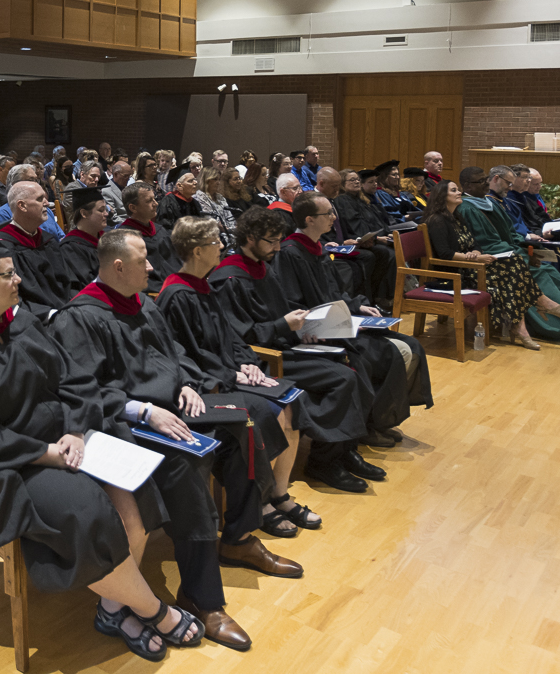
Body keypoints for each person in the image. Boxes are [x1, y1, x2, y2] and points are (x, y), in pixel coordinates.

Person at [0, 226, 203, 661]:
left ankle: (110, 609)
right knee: (86, 509)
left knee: (133, 503)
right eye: (9, 276)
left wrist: (75, 429)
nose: (20, 282)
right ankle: (155, 609)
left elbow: (76, 379)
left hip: (66, 444)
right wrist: (45, 453)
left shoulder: (23, 324)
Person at [53, 228, 295, 650]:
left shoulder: (144, 304)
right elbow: (83, 389)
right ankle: (202, 599)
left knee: (243, 425)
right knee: (182, 467)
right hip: (125, 422)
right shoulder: (81, 316)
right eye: (144, 260)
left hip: (176, 406)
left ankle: (237, 538)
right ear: (117, 266)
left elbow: (174, 353)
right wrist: (145, 410)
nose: (152, 267)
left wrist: (186, 382)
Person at [157, 216, 326, 540]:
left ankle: (279, 494)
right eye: (215, 242)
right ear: (195, 251)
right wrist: (231, 373)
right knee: (266, 414)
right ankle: (260, 503)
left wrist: (249, 363)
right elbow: (186, 356)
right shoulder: (177, 295)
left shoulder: (203, 286)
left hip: (229, 374)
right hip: (205, 385)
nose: (222, 246)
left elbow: (231, 338)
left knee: (292, 401)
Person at [207, 207, 379, 493]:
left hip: (287, 342)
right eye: (271, 241)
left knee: (355, 360)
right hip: (262, 358)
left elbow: (281, 310)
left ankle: (344, 450)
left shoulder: (264, 267)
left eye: (278, 240)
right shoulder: (230, 278)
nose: (277, 247)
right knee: (342, 377)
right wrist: (283, 325)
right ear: (250, 238)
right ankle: (323, 462)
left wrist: (303, 327)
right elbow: (241, 336)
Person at [277, 192, 434, 437]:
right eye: (327, 213)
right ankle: (370, 424)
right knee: (391, 354)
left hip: (342, 320)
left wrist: (357, 306)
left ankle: (377, 420)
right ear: (309, 219)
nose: (334, 217)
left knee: (412, 345)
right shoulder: (290, 253)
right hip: (320, 332)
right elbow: (292, 303)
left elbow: (337, 291)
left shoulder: (318, 248)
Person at [455, 168, 560, 347]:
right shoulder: (468, 207)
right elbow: (487, 243)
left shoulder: (488, 203)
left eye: (485, 180)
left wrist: (525, 250)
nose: (486, 183)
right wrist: (519, 254)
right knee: (536, 274)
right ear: (467, 185)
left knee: (547, 268)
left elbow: (511, 233)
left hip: (508, 254)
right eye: (480, 181)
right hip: (491, 262)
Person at [427, 179, 560, 350]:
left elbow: (474, 244)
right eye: (454, 190)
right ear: (442, 196)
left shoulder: (456, 217)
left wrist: (477, 253)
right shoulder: (437, 221)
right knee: (509, 276)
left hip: (470, 265)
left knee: (514, 262)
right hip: (456, 273)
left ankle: (523, 325)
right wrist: (473, 258)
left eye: (458, 189)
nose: (459, 192)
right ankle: (540, 306)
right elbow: (444, 254)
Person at [0, 181, 74, 315]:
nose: (47, 203)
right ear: (22, 206)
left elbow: (67, 281)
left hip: (65, 312)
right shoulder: (2, 247)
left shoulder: (48, 240)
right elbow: (12, 300)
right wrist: (50, 315)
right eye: (40, 199)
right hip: (35, 321)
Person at [333, 168, 397, 302]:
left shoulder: (360, 199)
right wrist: (374, 239)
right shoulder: (343, 200)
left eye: (357, 179)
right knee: (385, 253)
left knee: (388, 251)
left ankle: (383, 295)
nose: (356, 182)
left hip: (368, 239)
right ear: (343, 183)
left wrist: (377, 236)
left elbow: (371, 222)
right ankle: (380, 297)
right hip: (354, 240)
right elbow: (353, 224)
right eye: (352, 180)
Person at [119, 181, 179, 292]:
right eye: (149, 201)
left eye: (154, 199)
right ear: (133, 207)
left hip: (174, 289)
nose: (156, 204)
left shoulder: (160, 230)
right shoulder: (124, 238)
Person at [0, 164, 66, 239]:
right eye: (31, 180)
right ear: (15, 184)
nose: (36, 184)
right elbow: (4, 246)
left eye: (36, 180)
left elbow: (61, 237)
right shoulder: (2, 215)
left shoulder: (46, 209)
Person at [57, 186, 113, 292]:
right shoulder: (70, 248)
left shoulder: (107, 239)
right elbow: (85, 284)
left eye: (106, 209)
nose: (106, 214)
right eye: (101, 210)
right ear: (84, 213)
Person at [156, 163, 202, 229]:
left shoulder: (195, 203)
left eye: (195, 179)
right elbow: (164, 226)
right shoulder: (167, 202)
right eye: (190, 181)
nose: (195, 182)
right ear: (179, 185)